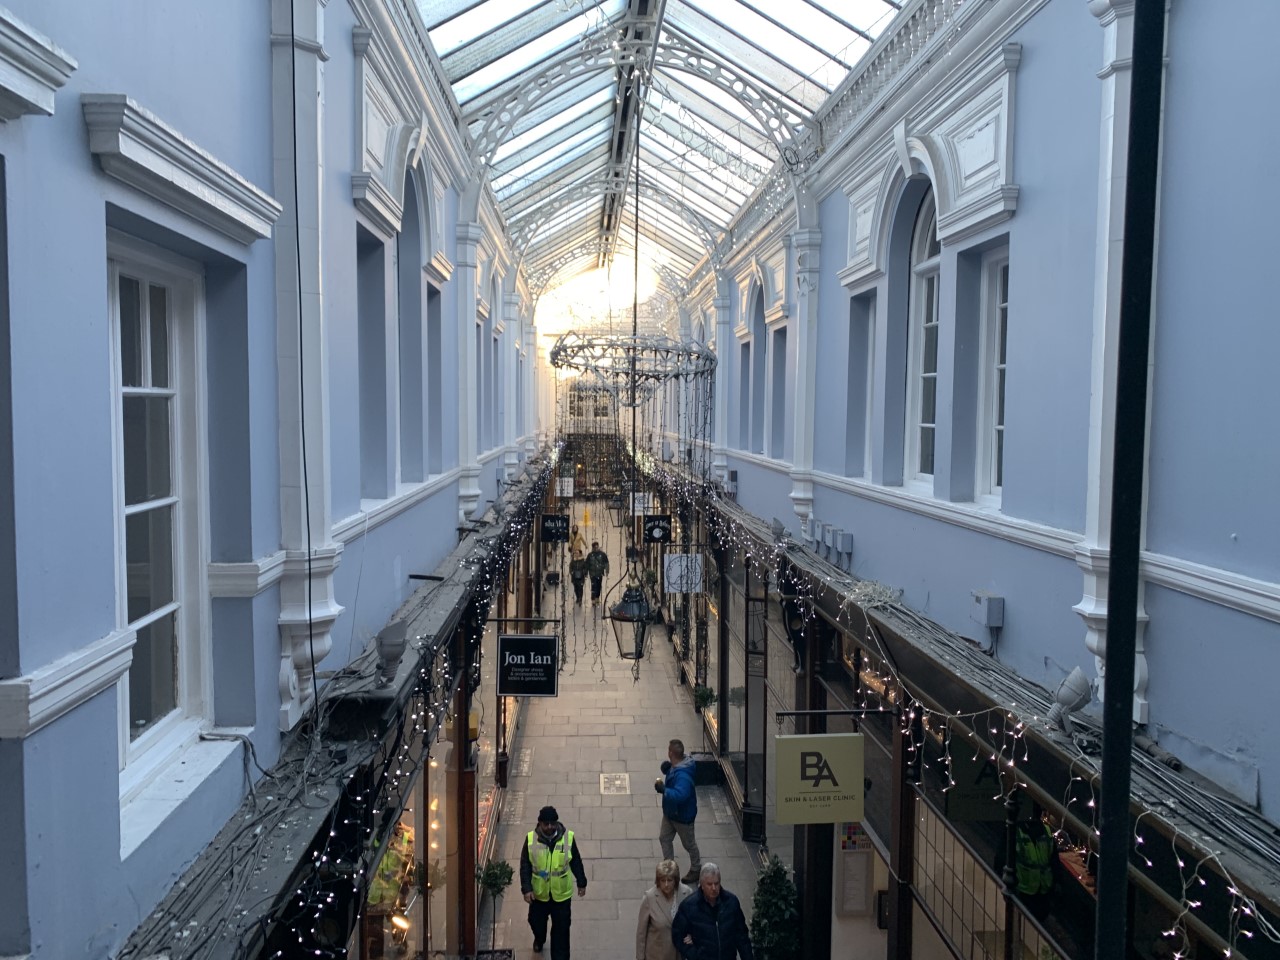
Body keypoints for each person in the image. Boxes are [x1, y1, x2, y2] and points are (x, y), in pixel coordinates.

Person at [519, 805, 587, 958]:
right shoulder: (531, 839)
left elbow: (575, 860)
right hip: (539, 894)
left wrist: (582, 882)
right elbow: (525, 865)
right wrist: (526, 888)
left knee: (561, 932)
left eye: (552, 823)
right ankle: (540, 937)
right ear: (540, 824)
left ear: (557, 823)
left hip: (561, 894)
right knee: (535, 922)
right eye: (546, 824)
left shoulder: (568, 838)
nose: (549, 827)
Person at [997, 801, 1062, 922]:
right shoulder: (1015, 832)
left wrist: (1056, 882)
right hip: (1024, 890)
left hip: (1042, 890)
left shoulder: (1046, 831)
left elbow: (1054, 860)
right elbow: (1001, 859)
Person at [672, 863, 753, 960]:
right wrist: (694, 955)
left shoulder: (731, 902)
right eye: (709, 884)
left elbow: (741, 936)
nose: (714, 888)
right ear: (701, 885)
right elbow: (677, 934)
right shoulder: (689, 906)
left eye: (716, 883)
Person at [654, 739, 701, 884]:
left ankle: (696, 868)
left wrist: (664, 790)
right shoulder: (678, 766)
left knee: (689, 844)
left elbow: (681, 795)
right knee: (664, 838)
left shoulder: (683, 775)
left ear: (671, 753)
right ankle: (670, 869)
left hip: (682, 817)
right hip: (671, 814)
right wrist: (668, 770)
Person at [636, 859, 693, 960]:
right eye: (663, 880)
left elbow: (695, 921)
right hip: (657, 955)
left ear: (675, 880)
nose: (666, 884)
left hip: (680, 955)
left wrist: (692, 935)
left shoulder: (687, 893)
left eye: (670, 880)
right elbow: (641, 934)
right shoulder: (650, 898)